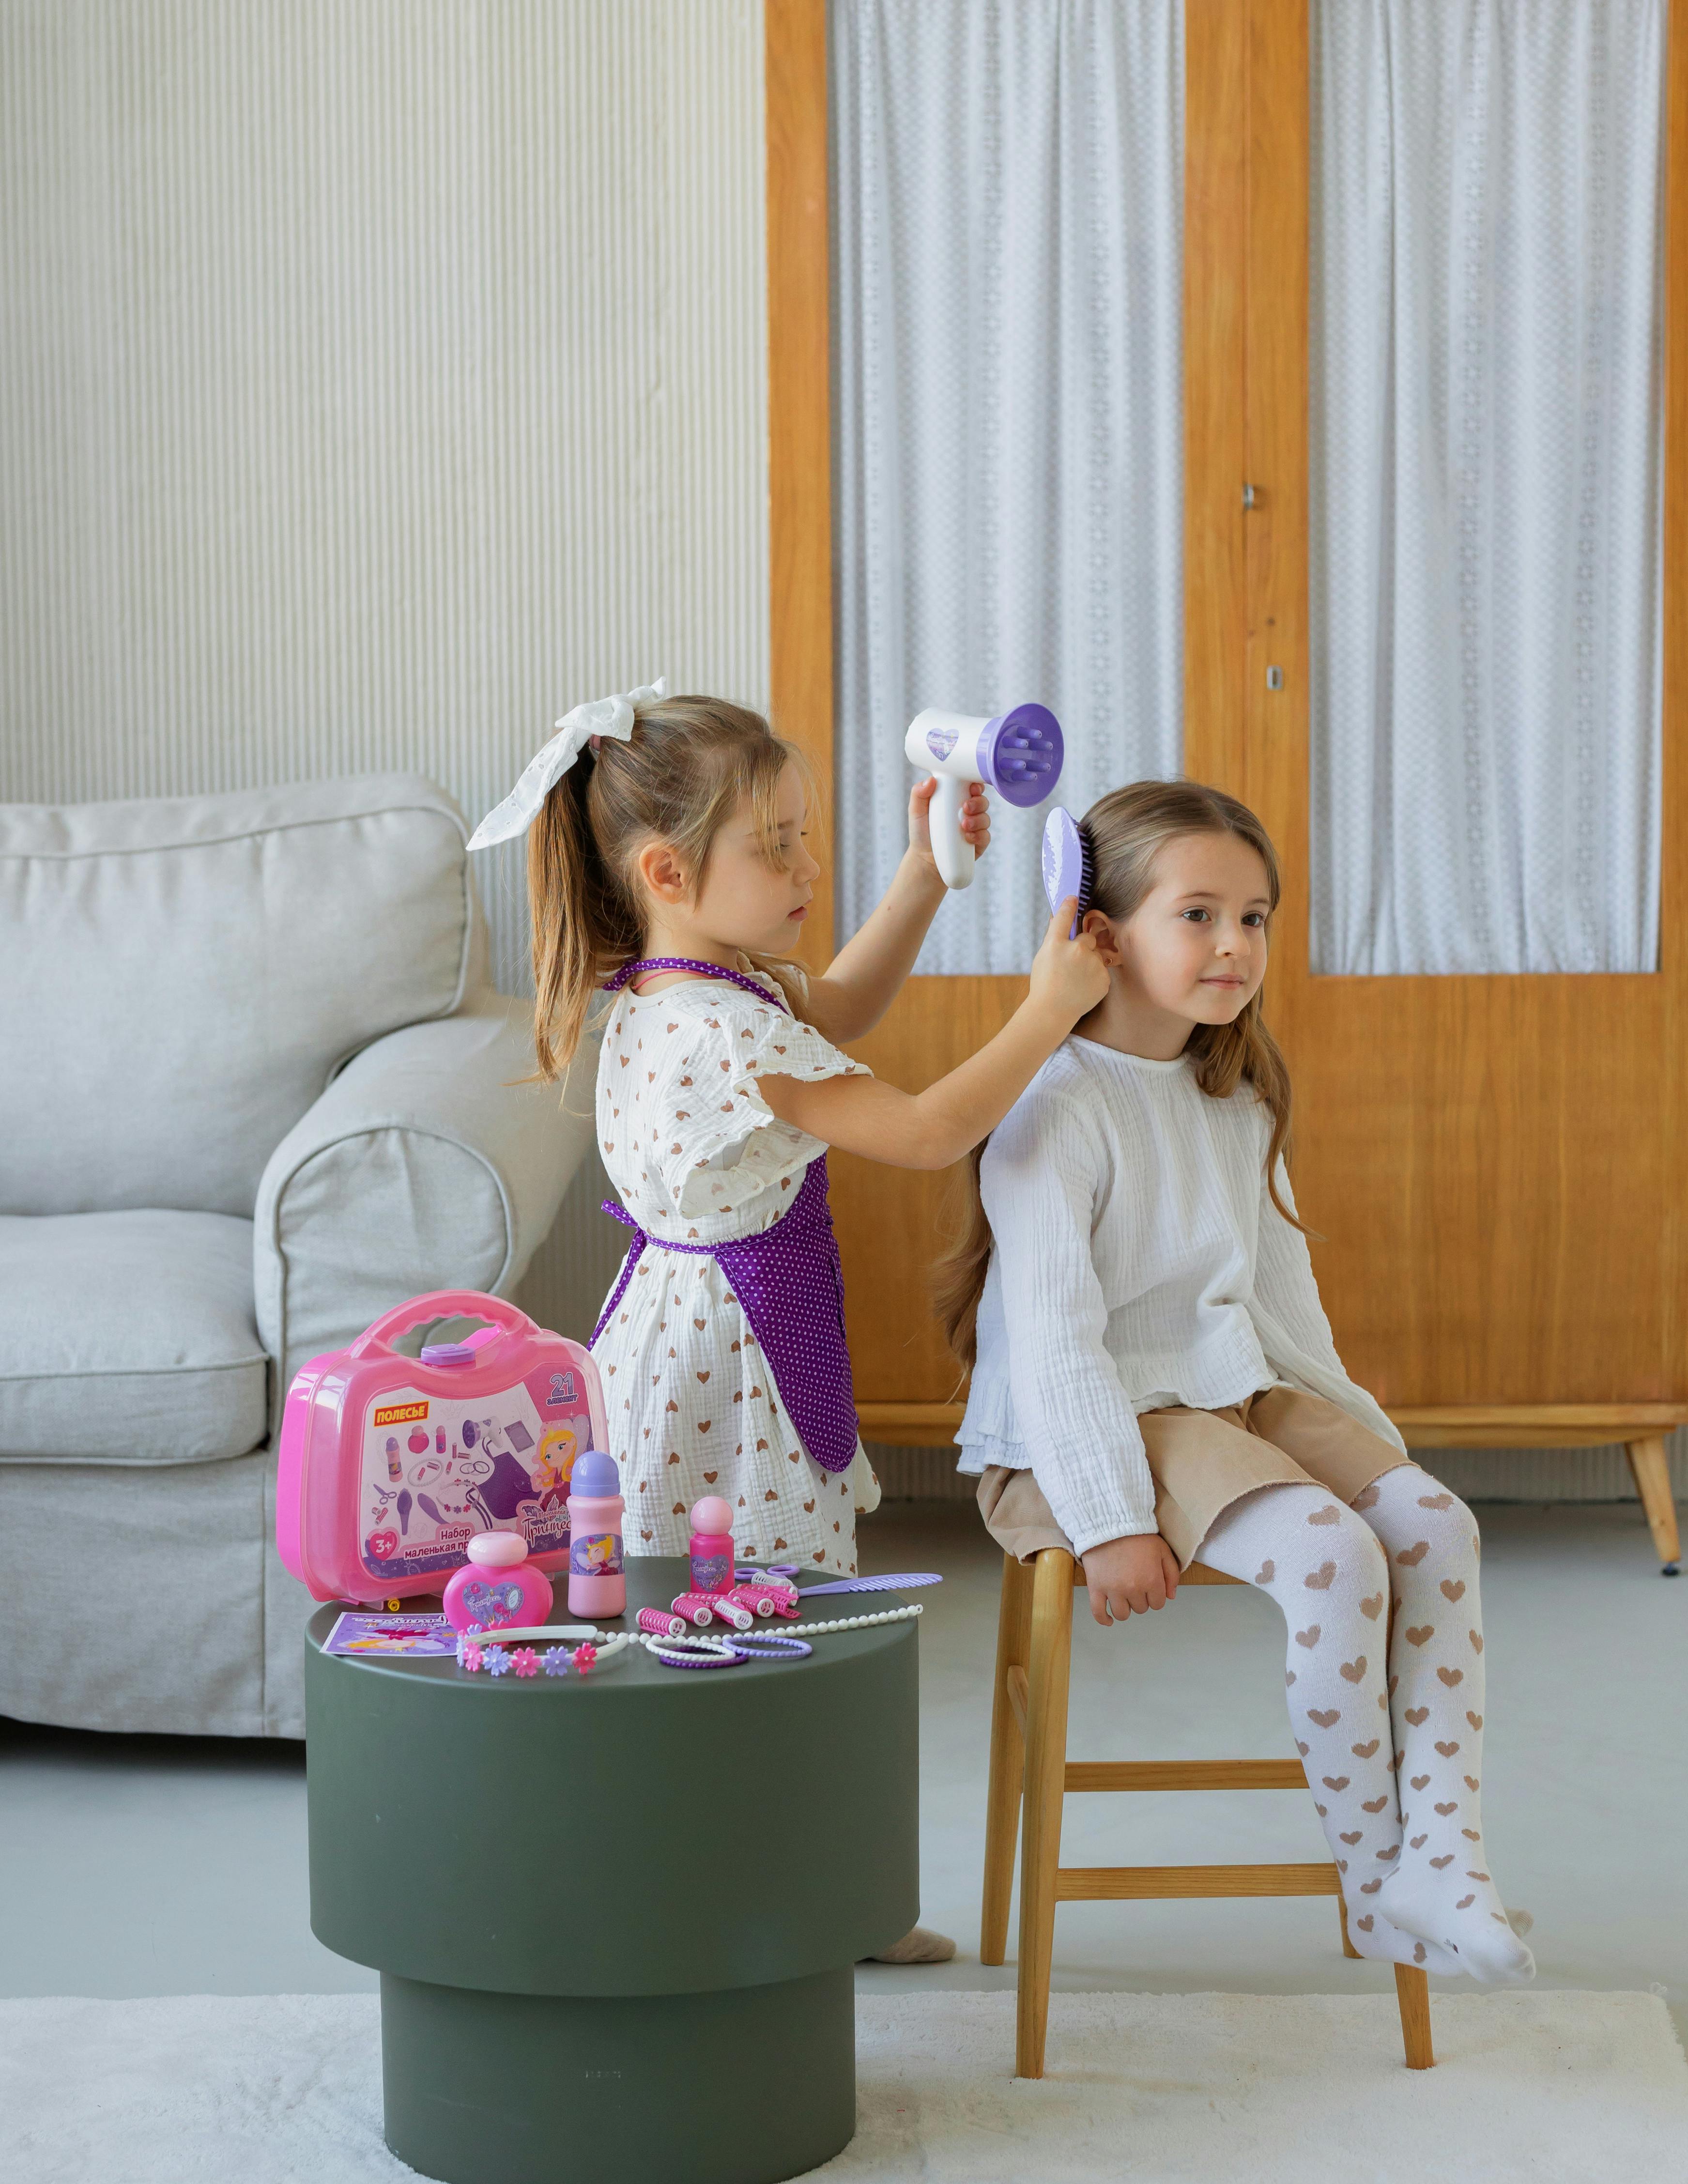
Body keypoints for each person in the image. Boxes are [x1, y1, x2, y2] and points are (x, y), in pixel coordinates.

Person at [470, 679, 1108, 1962]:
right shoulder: (717, 1028)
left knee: (732, 1615)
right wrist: (1048, 1008)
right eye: (776, 846)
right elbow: (929, 1132)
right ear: (665, 867)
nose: (806, 863)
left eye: (807, 835)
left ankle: (786, 1893)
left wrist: (928, 873)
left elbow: (842, 1008)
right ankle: (769, 1902)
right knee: (759, 1618)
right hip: (729, 1360)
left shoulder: (686, 984)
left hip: (690, 1330)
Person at [944, 779, 1534, 1985]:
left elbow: (1282, 1307)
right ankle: (1376, 1888)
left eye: (1254, 918)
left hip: (1230, 1394)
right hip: (1092, 1422)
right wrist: (1108, 1522)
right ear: (1097, 934)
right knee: (1328, 1554)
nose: (1234, 946)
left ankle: (1445, 1860)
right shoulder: (1048, 1113)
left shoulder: (1237, 1094)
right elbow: (1059, 1346)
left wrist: (1373, 1452)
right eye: (1198, 914)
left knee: (1431, 1524)